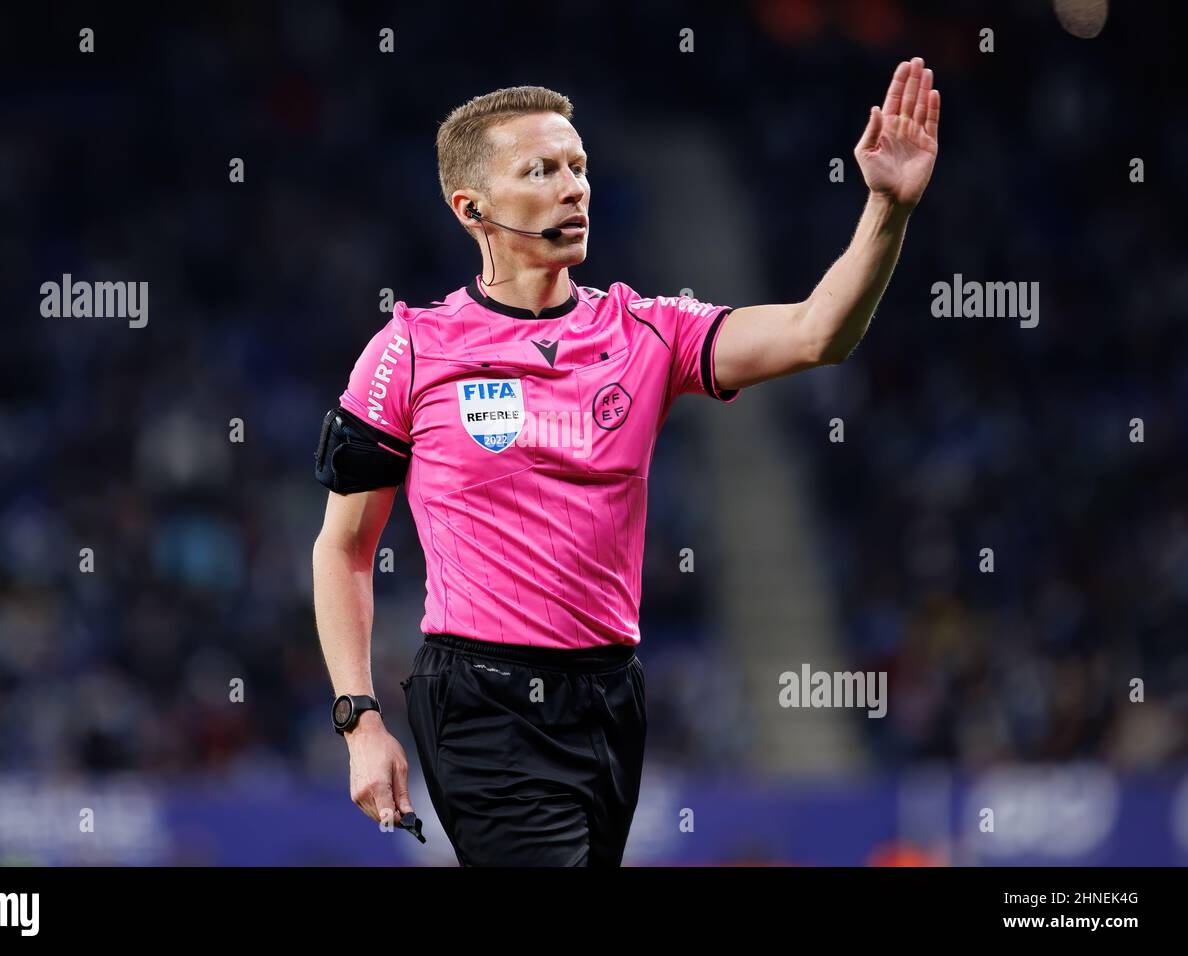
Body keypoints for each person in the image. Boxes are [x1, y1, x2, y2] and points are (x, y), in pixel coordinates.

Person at [312, 61, 939, 866]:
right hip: (483, 698)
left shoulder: (647, 331)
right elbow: (343, 547)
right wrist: (359, 720)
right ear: (473, 208)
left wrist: (886, 207)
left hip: (610, 695)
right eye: (540, 171)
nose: (573, 187)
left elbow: (820, 333)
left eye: (578, 166)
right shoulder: (410, 349)